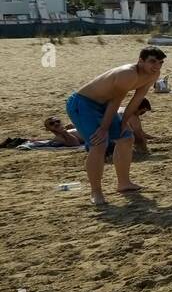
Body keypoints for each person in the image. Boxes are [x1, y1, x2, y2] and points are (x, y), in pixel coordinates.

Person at [65, 47, 165, 205]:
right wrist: (104, 128)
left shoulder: (153, 74)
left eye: (160, 63)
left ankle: (123, 183)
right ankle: (96, 192)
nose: (157, 66)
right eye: (152, 61)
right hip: (83, 103)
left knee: (126, 138)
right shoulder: (128, 74)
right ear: (140, 61)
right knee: (99, 143)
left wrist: (124, 122)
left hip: (104, 105)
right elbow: (116, 101)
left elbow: (137, 99)